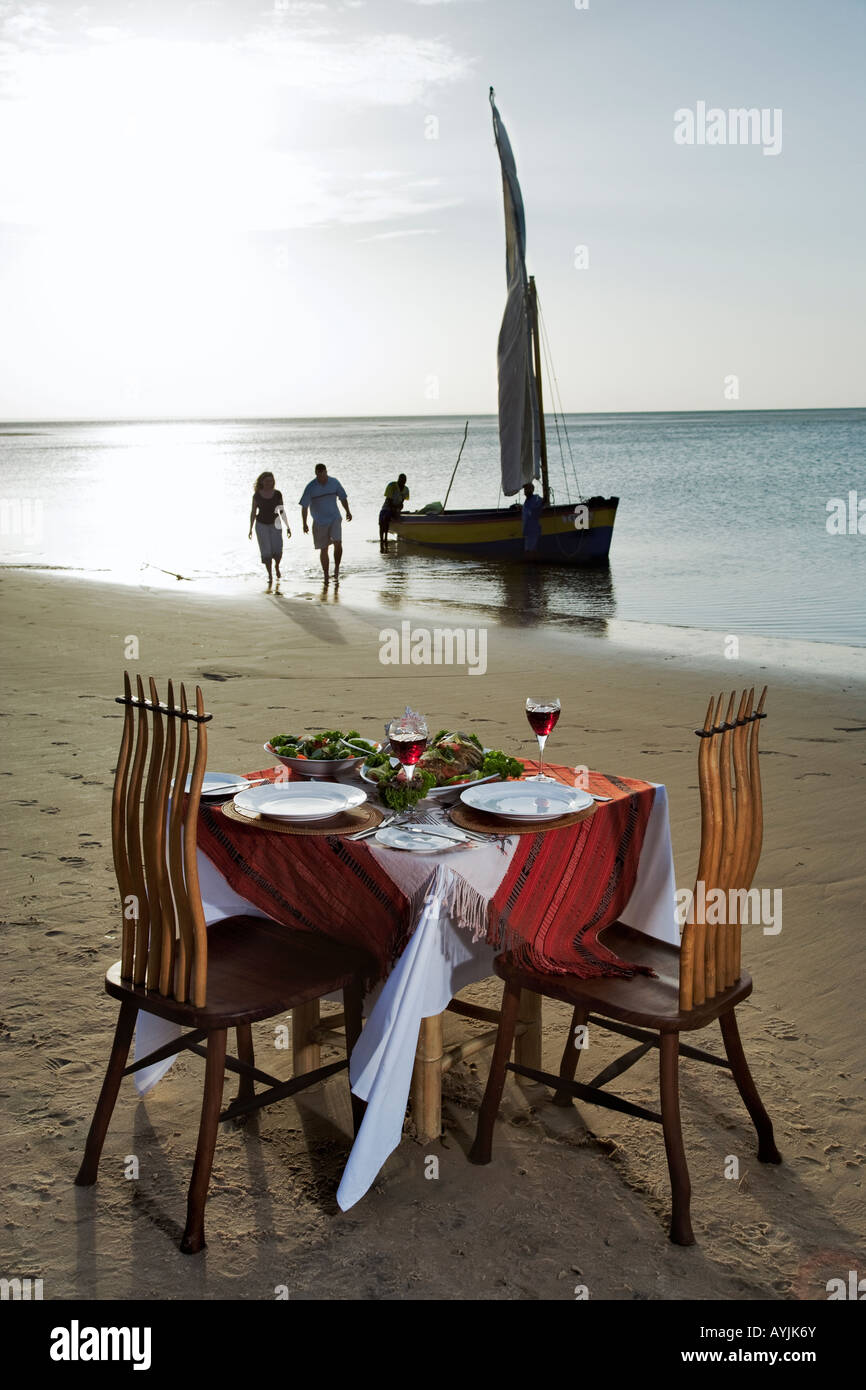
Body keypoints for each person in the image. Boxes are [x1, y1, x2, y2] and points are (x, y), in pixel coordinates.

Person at [299, 463, 352, 584]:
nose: (323, 477)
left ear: (326, 472)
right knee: (324, 549)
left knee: (338, 543)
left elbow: (343, 498)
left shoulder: (334, 482)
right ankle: (326, 575)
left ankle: (337, 570)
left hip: (335, 518)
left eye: (324, 474)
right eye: (320, 475)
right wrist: (304, 523)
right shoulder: (311, 487)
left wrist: (348, 511)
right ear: (316, 474)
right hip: (319, 521)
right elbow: (304, 506)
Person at [248, 471, 290, 591]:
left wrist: (287, 526)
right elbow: (253, 512)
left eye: (271, 481)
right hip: (261, 525)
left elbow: (281, 510)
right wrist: (250, 528)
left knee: (277, 550)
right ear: (262, 482)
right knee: (266, 552)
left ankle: (276, 566)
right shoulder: (257, 495)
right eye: (267, 481)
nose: (269, 483)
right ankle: (270, 575)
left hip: (276, 524)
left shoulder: (277, 494)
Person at [378, 473, 410, 552]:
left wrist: (398, 508)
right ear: (398, 480)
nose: (402, 483)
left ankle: (385, 541)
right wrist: (393, 508)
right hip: (387, 507)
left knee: (390, 516)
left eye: (404, 481)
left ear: (405, 482)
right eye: (400, 480)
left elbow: (402, 501)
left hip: (396, 508)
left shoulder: (406, 489)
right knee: (383, 518)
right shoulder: (392, 486)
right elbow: (388, 500)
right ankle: (383, 539)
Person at [522, 481, 544, 559]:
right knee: (528, 551)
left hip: (533, 530)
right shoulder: (526, 501)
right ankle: (531, 567)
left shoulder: (536, 498)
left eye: (527, 489)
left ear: (532, 489)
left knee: (532, 551)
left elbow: (540, 505)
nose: (525, 491)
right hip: (527, 531)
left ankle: (533, 568)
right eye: (524, 489)